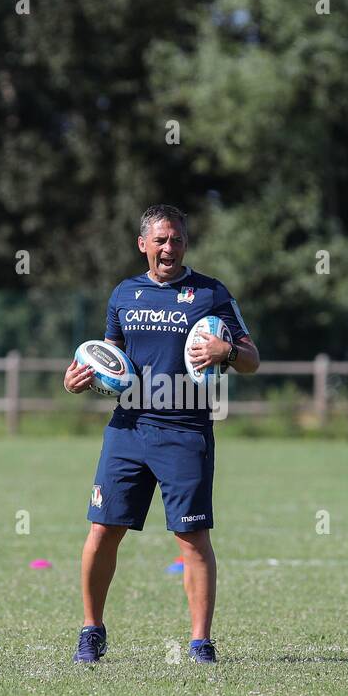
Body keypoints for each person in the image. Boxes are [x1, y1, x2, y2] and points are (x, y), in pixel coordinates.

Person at [63, 204, 259, 664]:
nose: (169, 248)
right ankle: (91, 631)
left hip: (185, 431)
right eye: (161, 240)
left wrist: (226, 350)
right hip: (127, 430)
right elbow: (110, 361)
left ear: (184, 244)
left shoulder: (211, 293)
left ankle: (200, 643)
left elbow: (251, 359)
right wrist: (82, 378)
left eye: (177, 240)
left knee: (192, 539)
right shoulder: (123, 295)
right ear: (143, 245)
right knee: (103, 530)